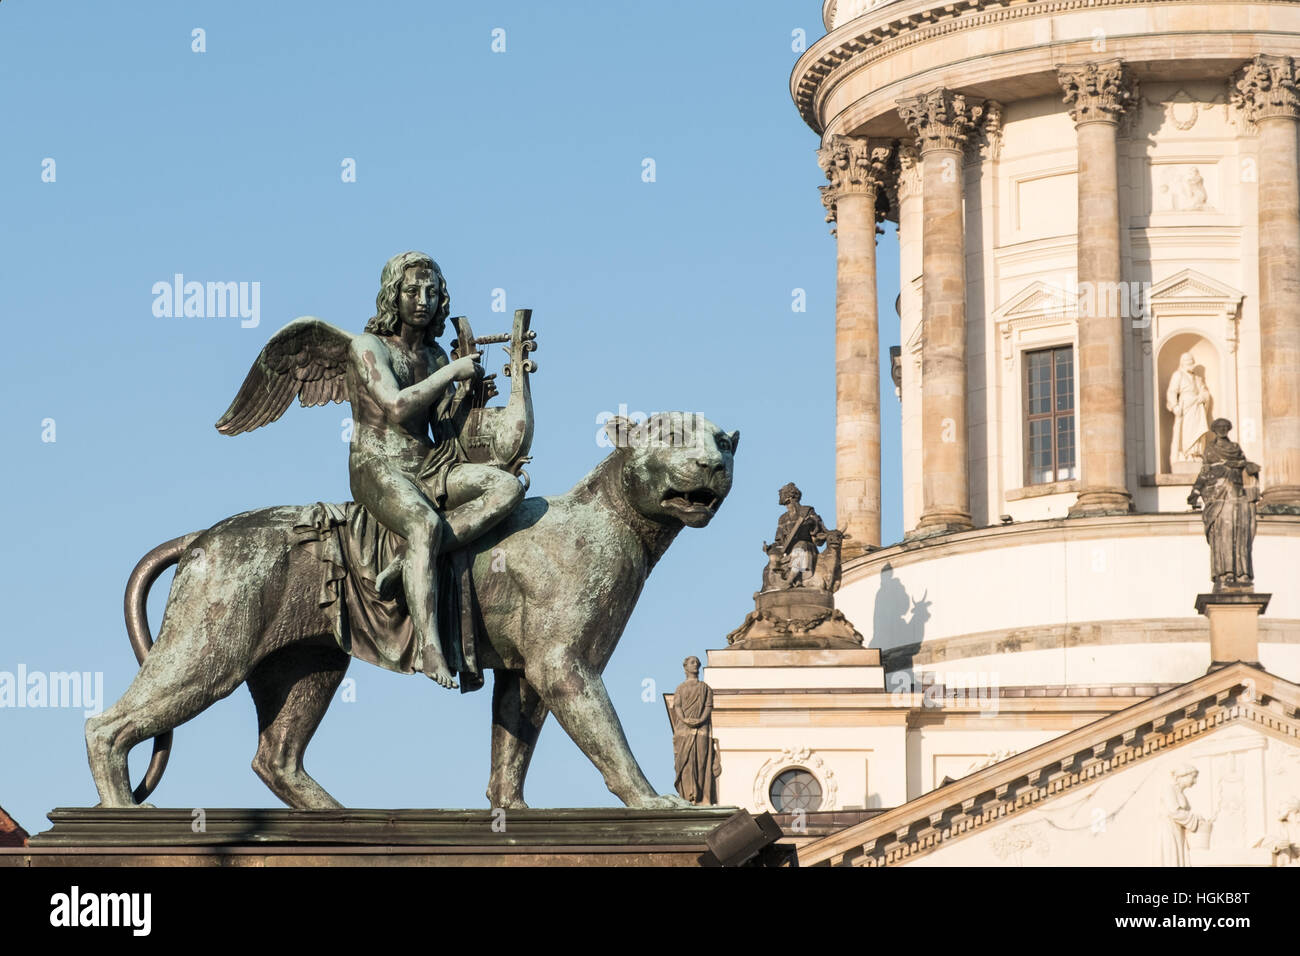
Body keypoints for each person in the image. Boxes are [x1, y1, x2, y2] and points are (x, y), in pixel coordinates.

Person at [347, 252, 524, 688]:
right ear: (393, 295)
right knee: (424, 522)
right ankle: (429, 649)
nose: (422, 300)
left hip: (428, 463)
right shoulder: (367, 347)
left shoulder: (435, 353)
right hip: (376, 464)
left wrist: (472, 396)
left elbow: (448, 431)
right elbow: (396, 404)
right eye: (412, 291)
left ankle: (409, 560)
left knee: (506, 488)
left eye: (431, 292)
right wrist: (451, 373)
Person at [1188, 418, 1260, 591]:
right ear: (1214, 429)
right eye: (1218, 427)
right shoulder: (1210, 450)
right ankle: (1226, 572)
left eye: (1224, 427)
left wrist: (1246, 467)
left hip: (1237, 495)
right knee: (1223, 535)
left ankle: (1242, 573)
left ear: (1228, 429)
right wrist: (1196, 492)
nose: (1222, 429)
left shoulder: (1236, 449)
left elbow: (1246, 468)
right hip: (1219, 497)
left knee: (1241, 534)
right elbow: (1205, 472)